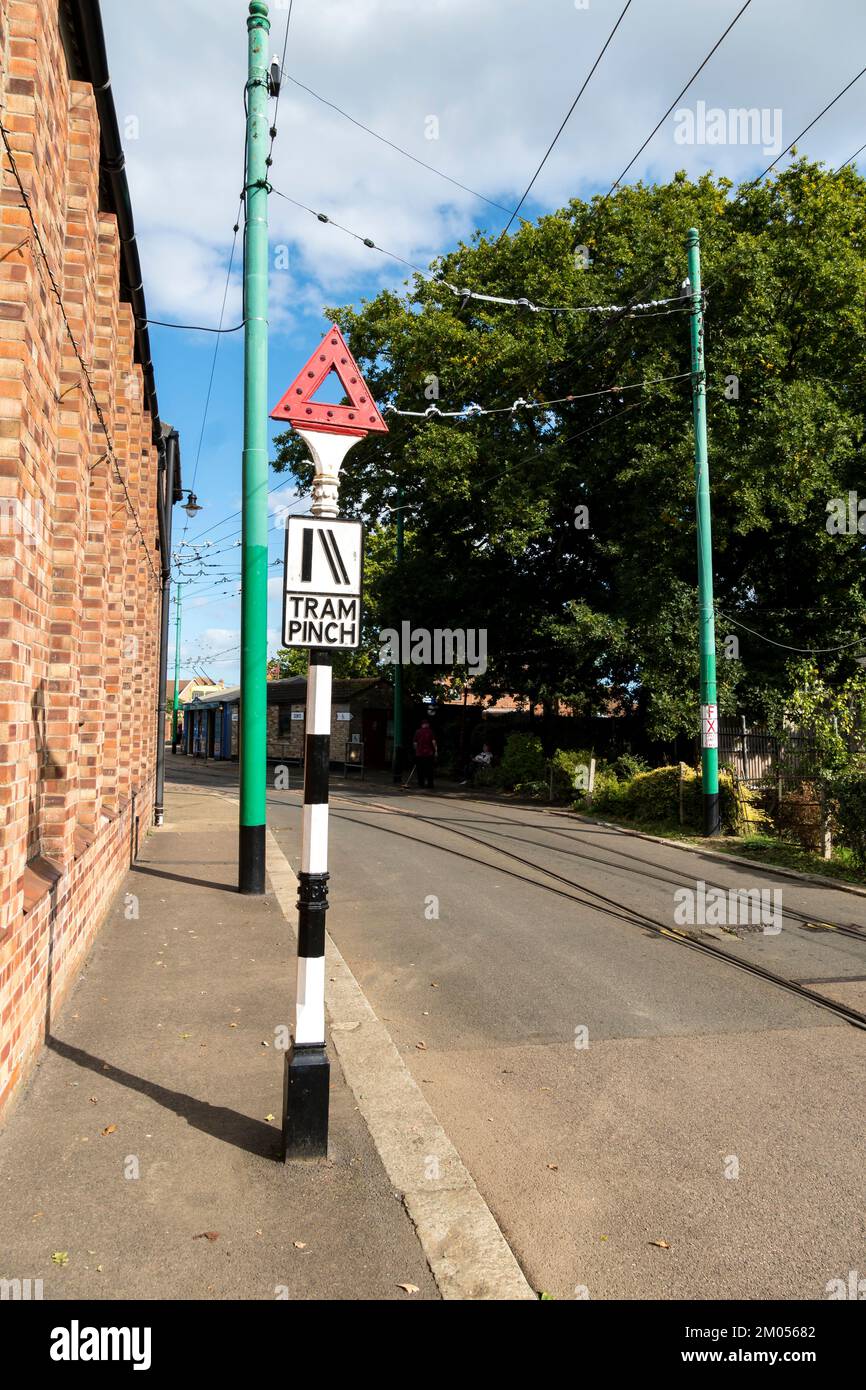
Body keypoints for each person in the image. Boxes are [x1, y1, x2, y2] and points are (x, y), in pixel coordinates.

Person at [413, 720, 438, 789]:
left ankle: (421, 784)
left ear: (422, 725)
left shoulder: (417, 732)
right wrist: (436, 751)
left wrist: (416, 750)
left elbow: (415, 743)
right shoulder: (430, 731)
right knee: (429, 770)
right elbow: (434, 742)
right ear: (427, 724)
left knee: (420, 770)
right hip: (429, 754)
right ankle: (430, 784)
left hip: (419, 754)